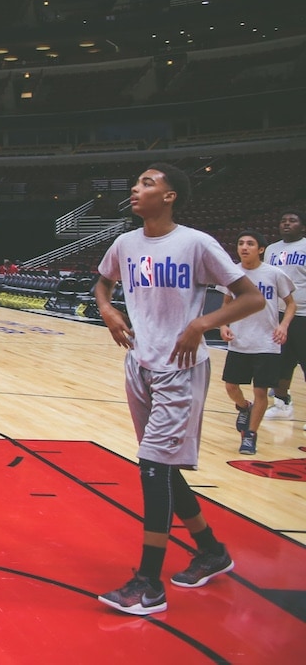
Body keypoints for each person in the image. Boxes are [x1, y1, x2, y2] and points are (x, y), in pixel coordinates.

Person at [93, 162, 263, 616]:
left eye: (148, 183)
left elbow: (252, 297)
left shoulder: (195, 242)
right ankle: (211, 551)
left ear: (169, 196)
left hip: (181, 366)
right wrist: (108, 310)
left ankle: (149, 584)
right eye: (137, 181)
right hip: (139, 363)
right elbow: (102, 283)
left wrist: (203, 323)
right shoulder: (125, 243)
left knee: (152, 466)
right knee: (162, 466)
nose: (135, 187)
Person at [218, 230, 295, 454]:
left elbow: (291, 304)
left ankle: (250, 436)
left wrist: (283, 325)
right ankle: (244, 407)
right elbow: (225, 303)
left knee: (260, 391)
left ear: (261, 249)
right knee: (231, 387)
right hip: (240, 340)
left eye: (250, 244)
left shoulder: (274, 274)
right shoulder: (231, 274)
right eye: (241, 243)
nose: (244, 247)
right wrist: (223, 325)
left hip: (267, 341)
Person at [264, 209, 306, 424]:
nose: (286, 224)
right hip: (278, 315)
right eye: (283, 221)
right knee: (281, 362)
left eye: (292, 221)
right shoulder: (271, 249)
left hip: (304, 315)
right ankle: (282, 403)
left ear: (303, 226)